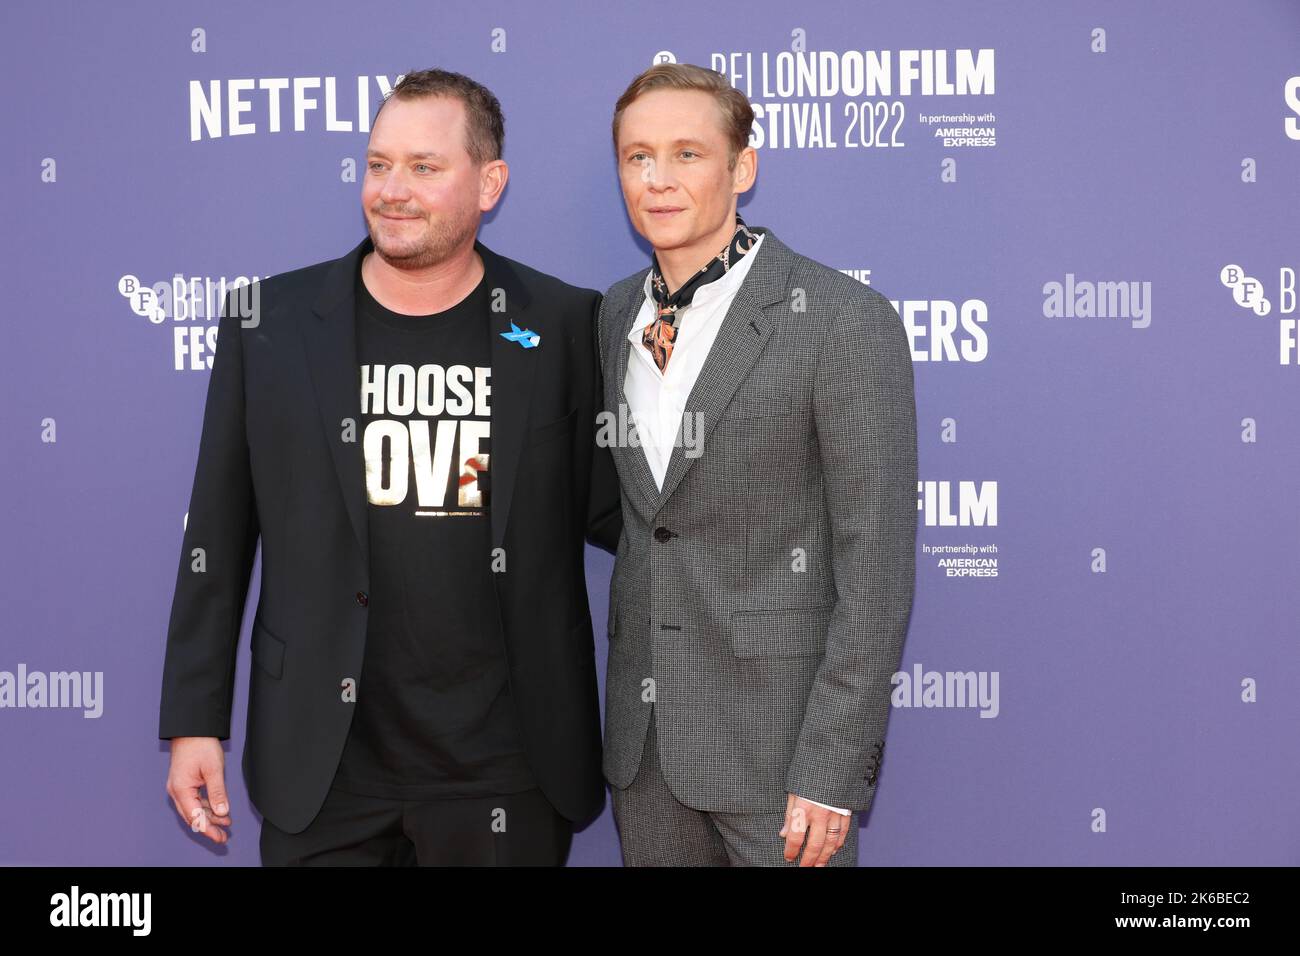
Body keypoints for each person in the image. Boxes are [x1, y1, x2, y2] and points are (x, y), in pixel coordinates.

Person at [159, 68, 620, 866]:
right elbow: (218, 536)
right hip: (324, 765)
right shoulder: (268, 324)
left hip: (509, 772)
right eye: (379, 165)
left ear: (490, 183)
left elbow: (624, 518)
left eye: (425, 167)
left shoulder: (565, 324)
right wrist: (195, 719)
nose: (392, 190)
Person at [596, 63, 918, 866]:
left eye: (687, 154)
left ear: (742, 168)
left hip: (782, 760)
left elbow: (875, 568)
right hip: (645, 752)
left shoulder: (841, 319)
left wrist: (832, 770)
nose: (659, 180)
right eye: (638, 157)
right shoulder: (613, 315)